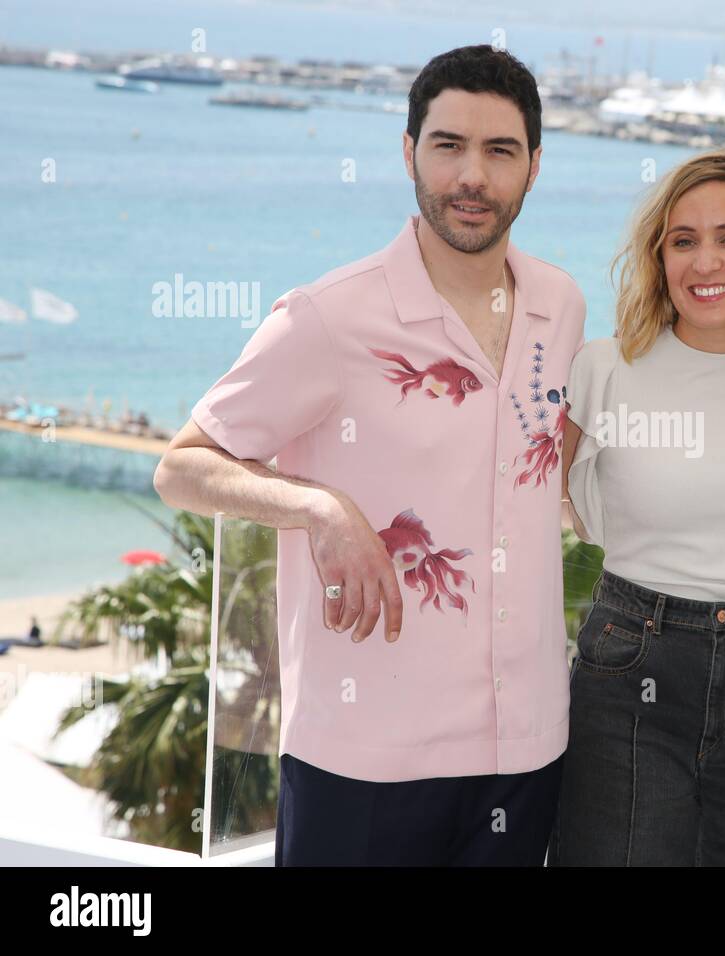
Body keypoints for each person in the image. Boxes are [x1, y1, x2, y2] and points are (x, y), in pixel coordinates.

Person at [153, 45, 586, 866]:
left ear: (534, 166)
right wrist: (319, 506)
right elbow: (181, 467)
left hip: (525, 747)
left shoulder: (560, 305)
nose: (472, 176)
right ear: (408, 151)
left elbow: (548, 460)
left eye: (500, 152)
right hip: (362, 756)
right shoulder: (328, 316)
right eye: (447, 145)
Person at [548, 149, 725, 866]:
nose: (706, 262)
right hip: (627, 666)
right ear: (660, 256)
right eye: (684, 240)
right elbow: (529, 499)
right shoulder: (601, 370)